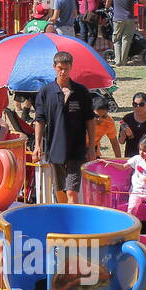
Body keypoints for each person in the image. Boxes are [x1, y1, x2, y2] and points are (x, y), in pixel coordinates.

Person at [33, 52, 95, 204]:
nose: (63, 72)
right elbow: (40, 120)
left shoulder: (81, 92)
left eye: (66, 69)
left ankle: (72, 226)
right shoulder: (46, 92)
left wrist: (92, 146)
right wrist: (37, 145)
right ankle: (63, 220)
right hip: (55, 147)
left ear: (71, 68)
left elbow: (90, 120)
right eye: (60, 68)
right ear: (54, 67)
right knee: (60, 190)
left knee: (72, 191)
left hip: (76, 149)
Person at [110, 0, 143, 66]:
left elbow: (109, 0)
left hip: (117, 18)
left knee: (116, 39)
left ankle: (118, 60)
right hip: (129, 18)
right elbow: (142, 1)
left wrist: (107, 8)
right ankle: (124, 61)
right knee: (126, 39)